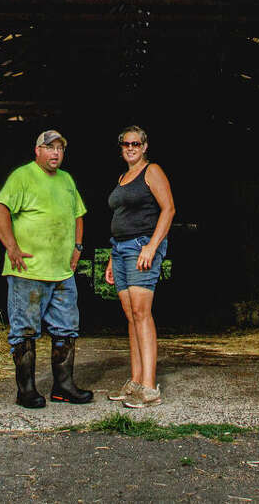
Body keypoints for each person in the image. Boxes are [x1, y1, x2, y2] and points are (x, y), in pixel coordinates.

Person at [0, 129, 94, 408]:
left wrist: (78, 247)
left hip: (62, 272)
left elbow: (78, 215)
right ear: (38, 151)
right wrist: (11, 246)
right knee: (24, 331)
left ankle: (63, 387)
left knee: (66, 329)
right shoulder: (22, 176)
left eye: (60, 148)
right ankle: (26, 390)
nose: (55, 153)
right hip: (28, 270)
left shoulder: (67, 180)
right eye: (50, 148)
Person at [102, 124, 174, 407]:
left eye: (135, 144)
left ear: (144, 147)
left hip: (141, 246)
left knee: (142, 313)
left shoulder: (152, 171)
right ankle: (134, 381)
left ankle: (149, 387)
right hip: (120, 249)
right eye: (125, 144)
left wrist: (152, 246)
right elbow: (120, 217)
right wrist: (111, 256)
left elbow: (168, 209)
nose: (130, 148)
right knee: (131, 314)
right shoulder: (123, 177)